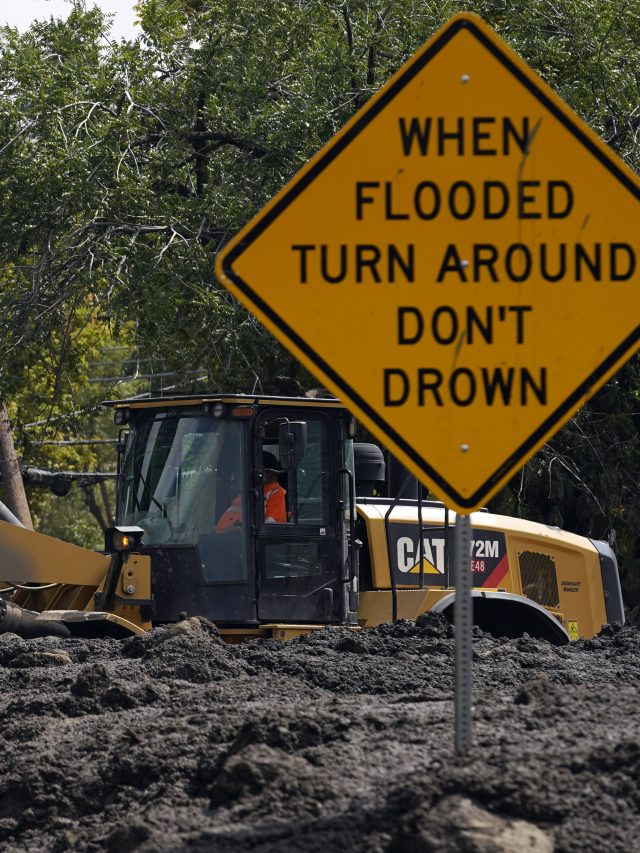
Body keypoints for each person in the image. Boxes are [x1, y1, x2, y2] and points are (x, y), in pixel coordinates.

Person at [215, 452, 287, 532]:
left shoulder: (277, 493)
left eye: (253, 469)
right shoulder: (252, 490)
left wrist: (240, 529)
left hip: (239, 538)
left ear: (266, 472)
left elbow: (271, 525)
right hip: (226, 536)